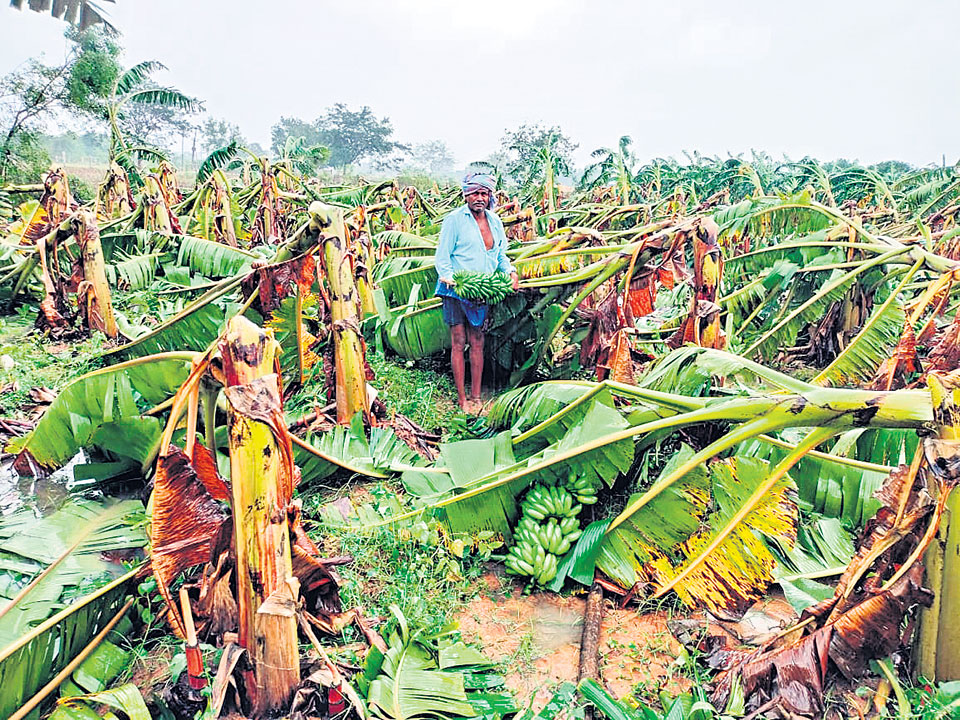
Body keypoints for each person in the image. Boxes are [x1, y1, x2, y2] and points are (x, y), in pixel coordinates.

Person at [435, 172, 520, 413]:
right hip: (456, 287)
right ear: (465, 195)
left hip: (482, 288)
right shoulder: (454, 220)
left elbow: (500, 255)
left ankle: (476, 396)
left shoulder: (495, 222)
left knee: (477, 341)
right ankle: (462, 398)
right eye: (474, 193)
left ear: (490, 195)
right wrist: (449, 277)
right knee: (458, 341)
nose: (479, 198)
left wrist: (510, 273)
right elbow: (442, 256)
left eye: (484, 193)